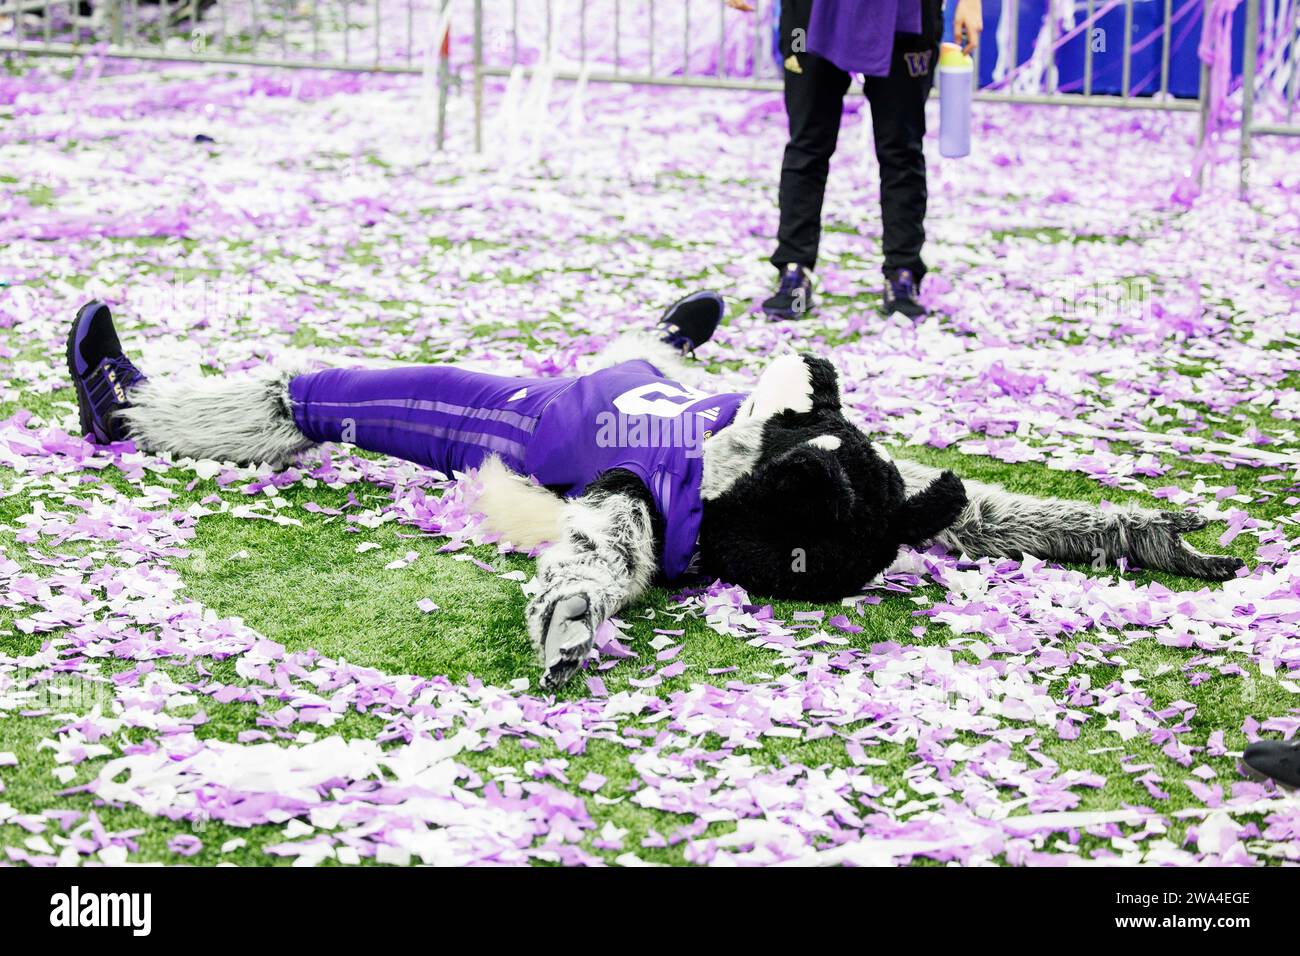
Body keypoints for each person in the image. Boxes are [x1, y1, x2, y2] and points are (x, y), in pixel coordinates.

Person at [67, 296, 1240, 689]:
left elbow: (594, 551)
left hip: (545, 413)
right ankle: (669, 334)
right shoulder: (840, 477)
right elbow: (972, 510)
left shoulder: (662, 504)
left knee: (328, 390)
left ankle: (132, 411)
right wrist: (1127, 533)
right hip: (659, 381)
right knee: (649, 360)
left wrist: (567, 620)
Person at [727, 0, 983, 319]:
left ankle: (902, 274)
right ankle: (794, 269)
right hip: (810, 13)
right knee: (808, 144)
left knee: (901, 149)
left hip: (907, 14)